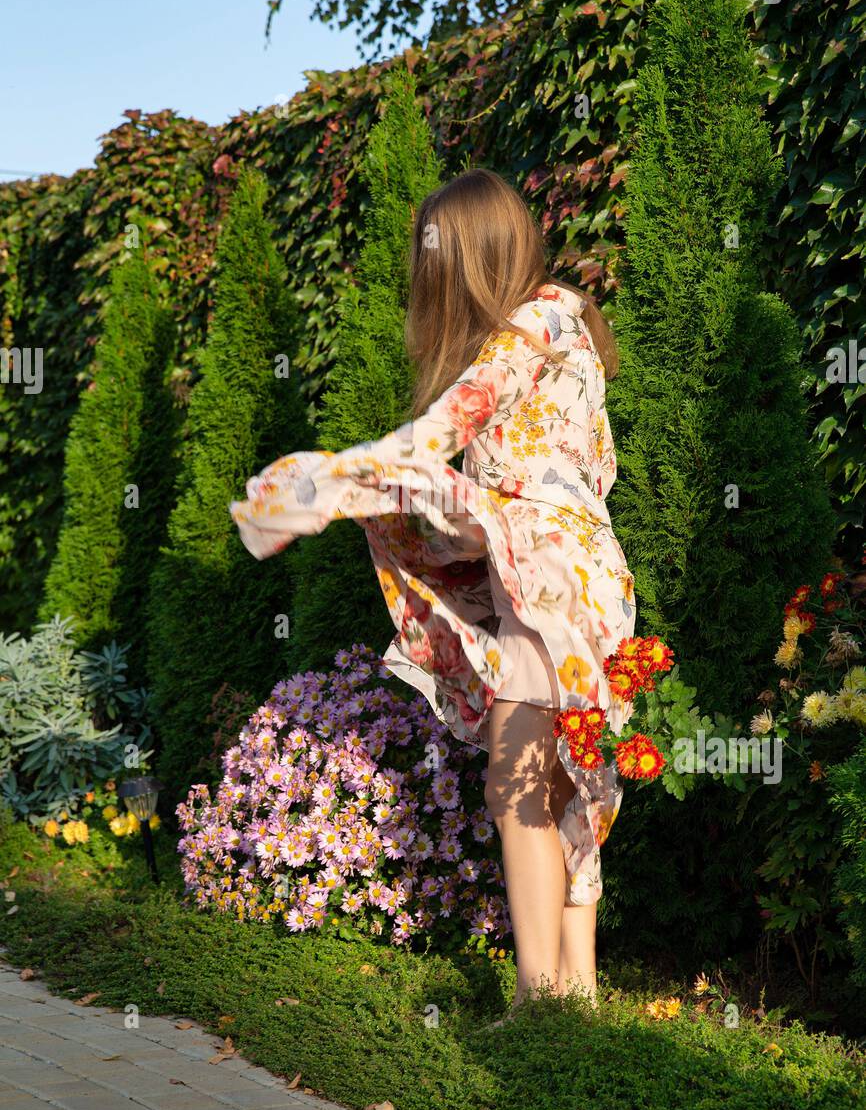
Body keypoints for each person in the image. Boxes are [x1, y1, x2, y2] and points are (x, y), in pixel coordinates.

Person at [230, 167, 636, 1014]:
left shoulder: (535, 322)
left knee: (517, 775)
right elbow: (565, 470)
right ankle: (580, 996)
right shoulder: (566, 322)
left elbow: (440, 433)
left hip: (549, 579)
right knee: (564, 773)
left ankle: (537, 1002)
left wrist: (324, 484)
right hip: (576, 576)